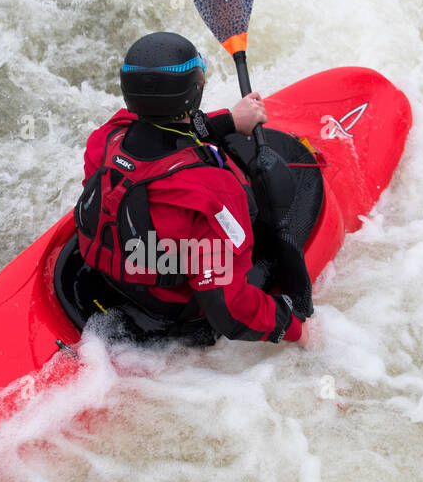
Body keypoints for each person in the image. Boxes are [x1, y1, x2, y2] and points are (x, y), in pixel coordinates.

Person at [73, 31, 314, 345]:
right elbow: (231, 311)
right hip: (173, 312)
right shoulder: (211, 196)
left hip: (106, 282)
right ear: (195, 91)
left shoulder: (105, 140)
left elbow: (164, 131)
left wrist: (228, 120)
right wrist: (295, 330)